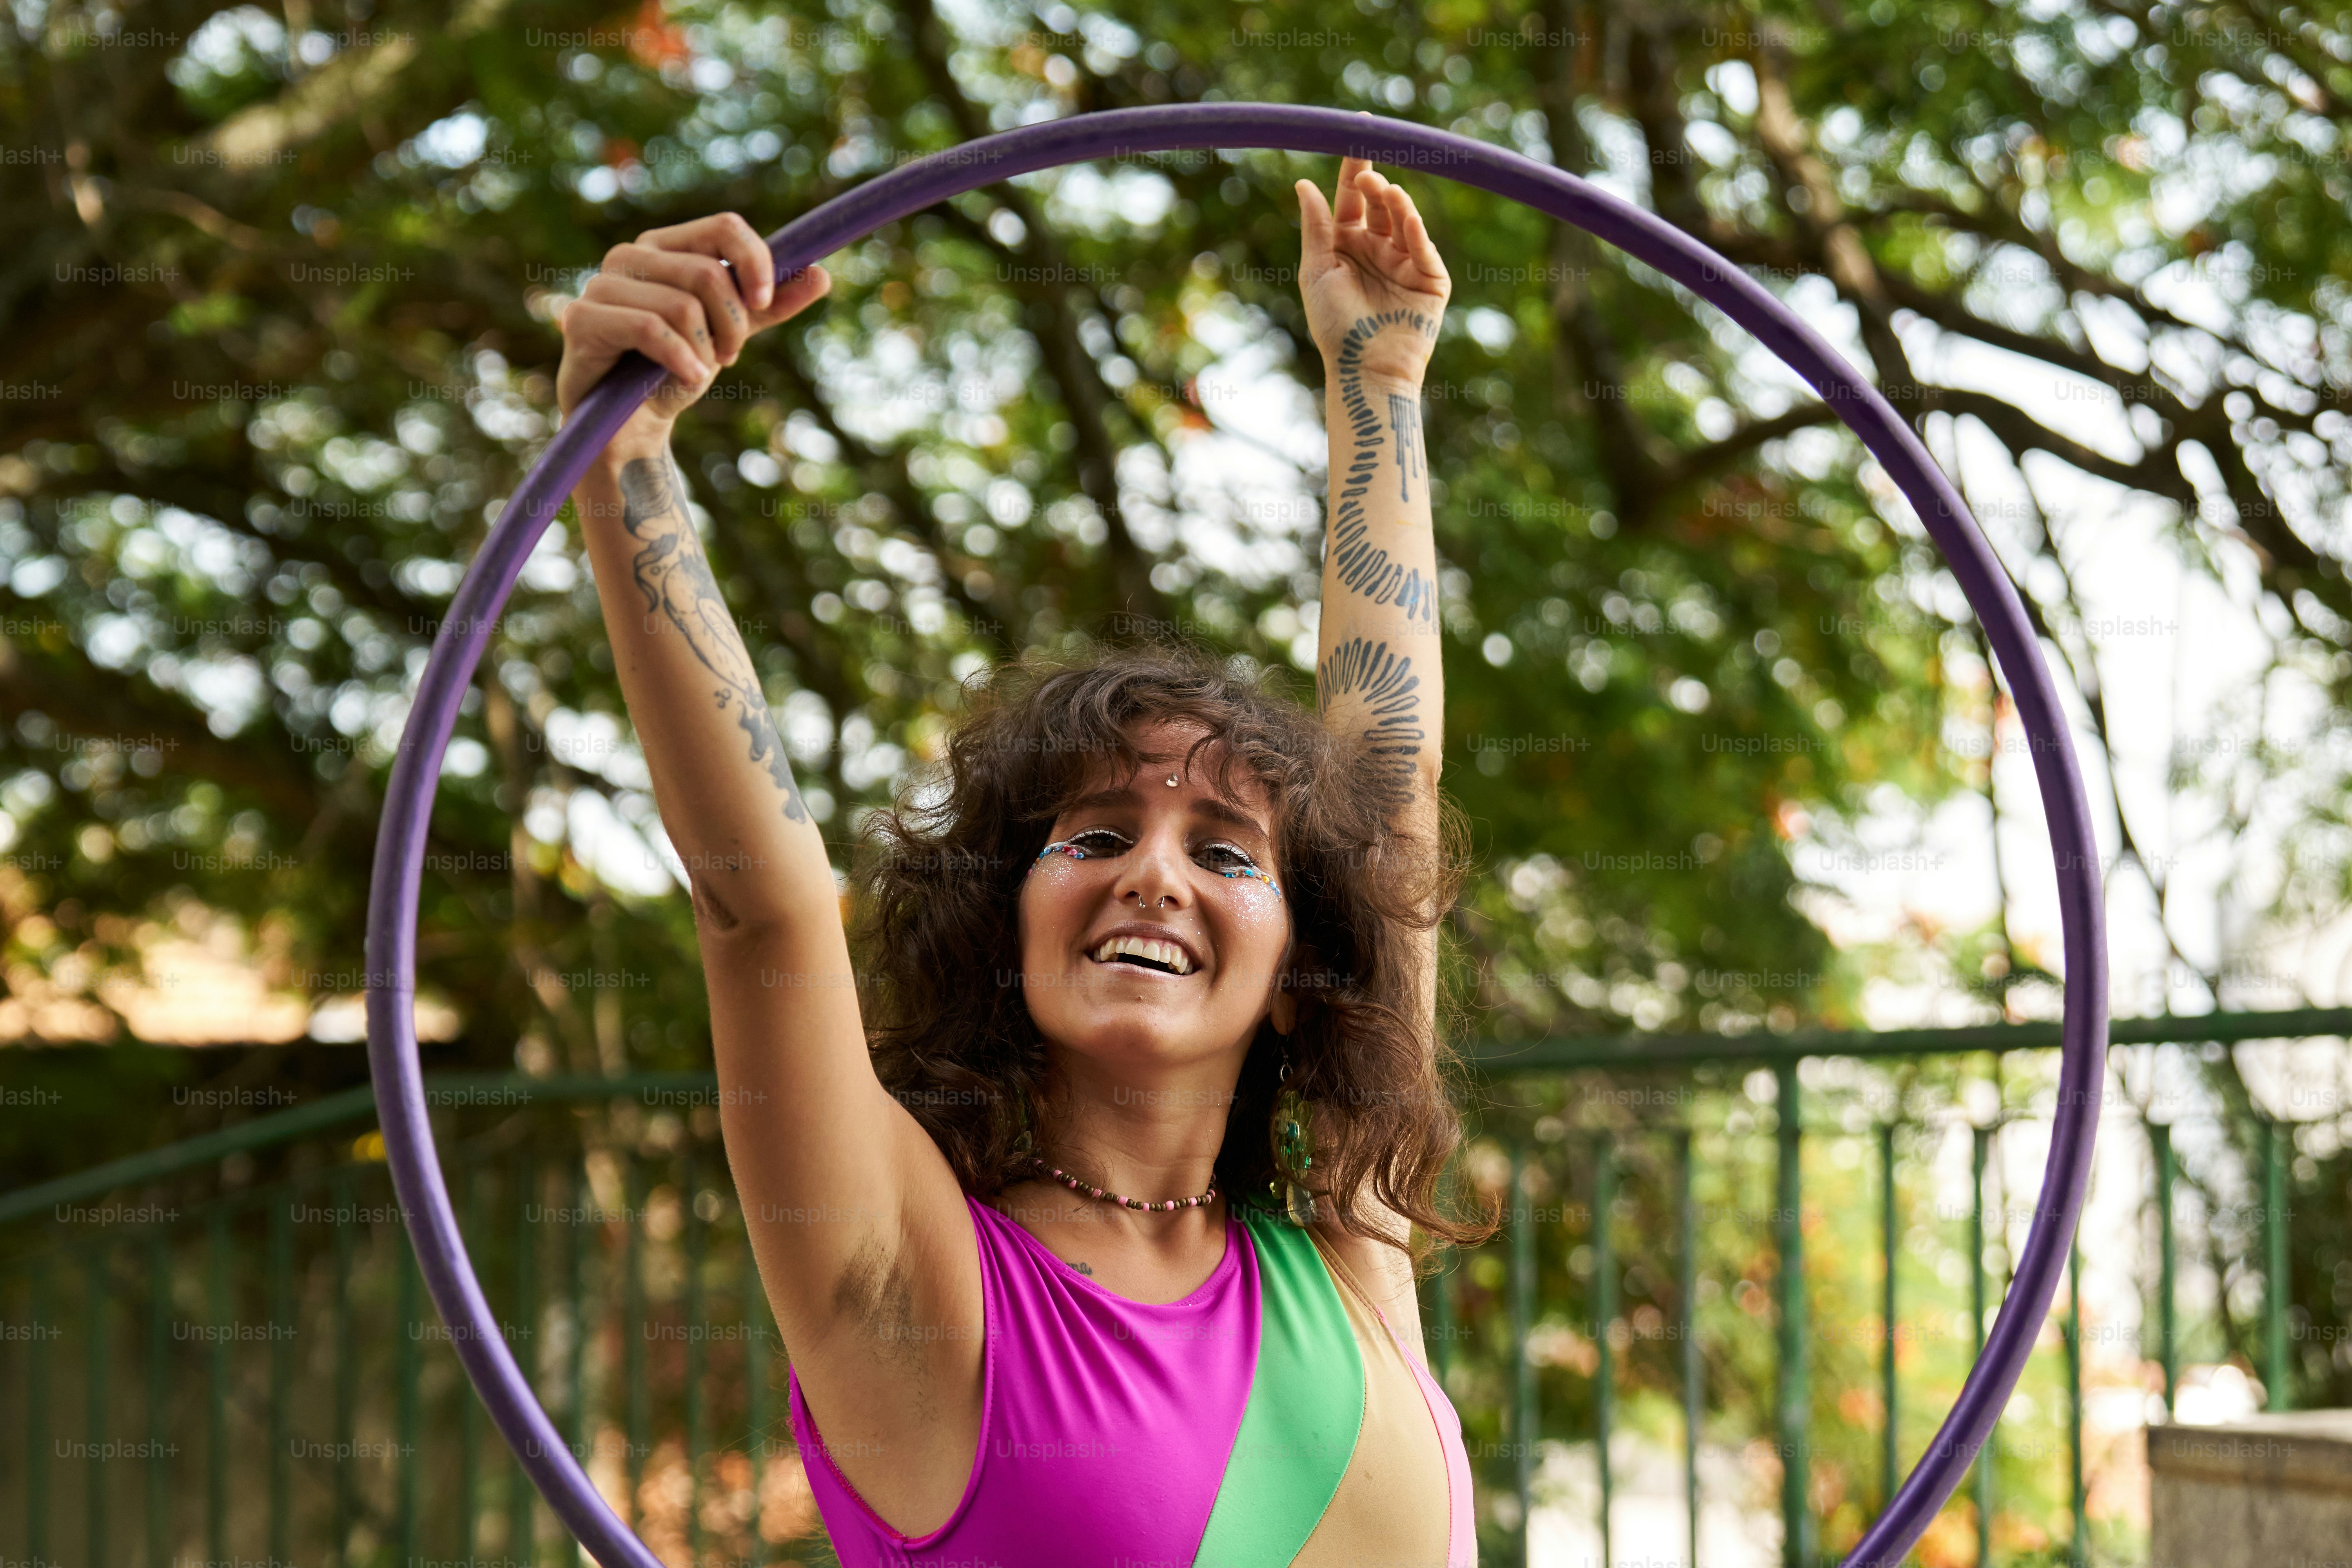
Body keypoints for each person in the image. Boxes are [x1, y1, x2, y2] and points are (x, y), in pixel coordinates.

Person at [555, 155, 1493, 1566]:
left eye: (1226, 851)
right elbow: (765, 912)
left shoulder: (1345, 1245)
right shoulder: (912, 1276)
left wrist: (1379, 382)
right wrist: (621, 460)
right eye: (1097, 835)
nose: (1152, 872)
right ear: (1011, 926)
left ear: (1302, 969)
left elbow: (1392, 796)